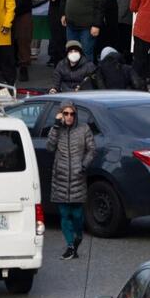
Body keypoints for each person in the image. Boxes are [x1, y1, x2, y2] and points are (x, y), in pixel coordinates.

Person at [46, 101, 94, 259]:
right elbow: (50, 147)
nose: (69, 117)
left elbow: (92, 150)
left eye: (71, 113)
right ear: (61, 114)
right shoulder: (57, 130)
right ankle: (70, 246)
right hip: (60, 178)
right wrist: (55, 126)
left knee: (78, 215)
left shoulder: (84, 129)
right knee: (64, 215)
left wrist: (83, 165)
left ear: (75, 115)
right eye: (65, 113)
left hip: (77, 178)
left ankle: (78, 236)